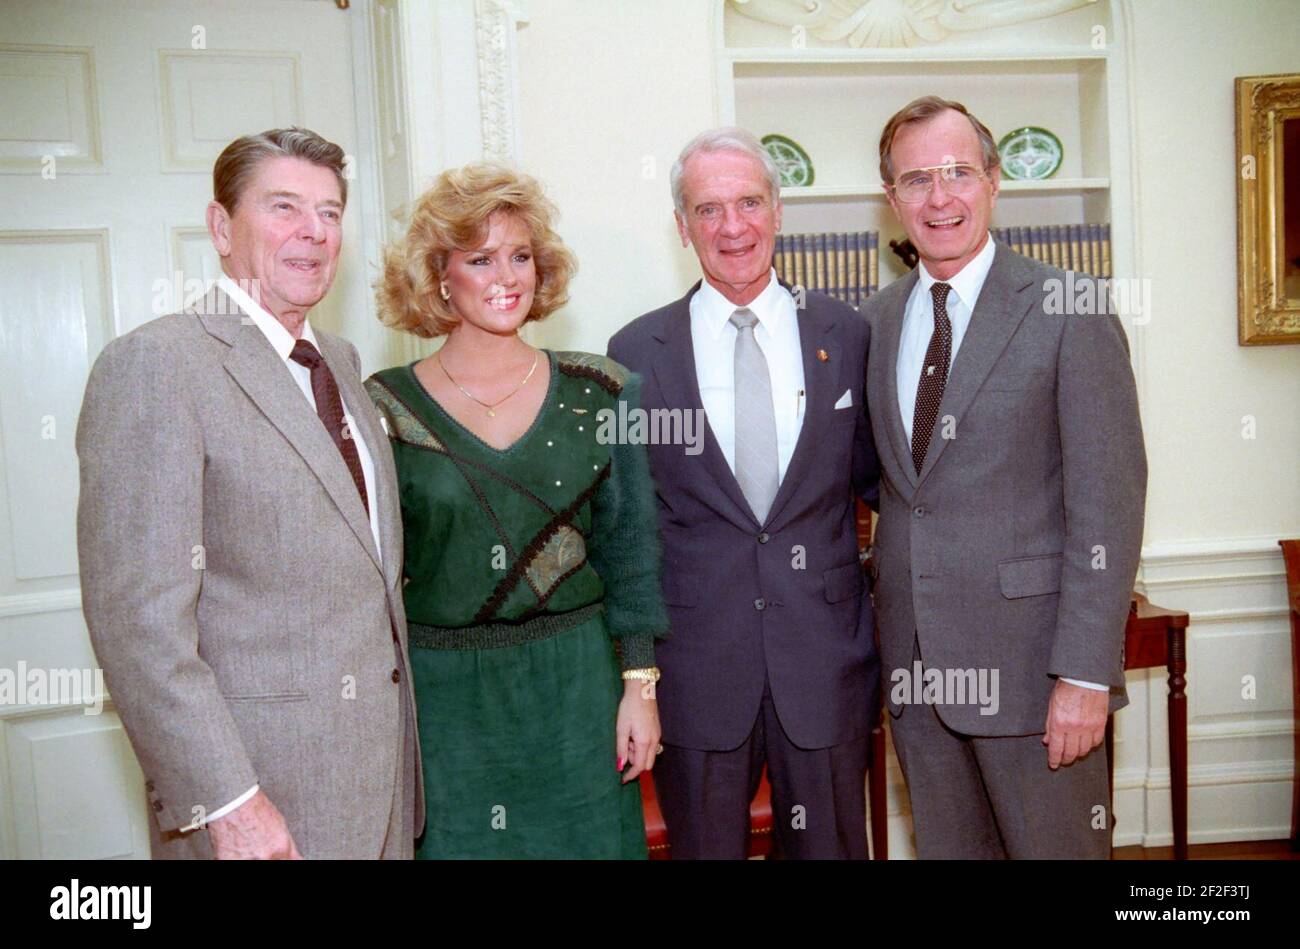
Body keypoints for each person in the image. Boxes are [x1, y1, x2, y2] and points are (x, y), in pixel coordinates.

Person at [76, 128, 421, 859]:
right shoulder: (158, 364)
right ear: (220, 226)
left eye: (330, 213)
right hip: (261, 802)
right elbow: (140, 624)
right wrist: (226, 800)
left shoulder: (342, 362)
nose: (313, 233)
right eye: (284, 207)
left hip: (379, 784)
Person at [863, 96, 1147, 858]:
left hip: (1035, 678)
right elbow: (892, 486)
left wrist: (1085, 674)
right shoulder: (877, 319)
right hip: (919, 679)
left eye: (958, 171)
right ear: (892, 198)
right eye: (916, 178)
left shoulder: (1069, 305)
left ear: (994, 180)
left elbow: (1109, 505)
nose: (940, 196)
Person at [365, 162, 666, 859]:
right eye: (480, 258)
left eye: (521, 255)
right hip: (447, 706)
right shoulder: (385, 408)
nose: (506, 276)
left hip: (578, 693)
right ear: (441, 275)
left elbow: (631, 550)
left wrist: (640, 687)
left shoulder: (604, 391)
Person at [607, 128, 880, 859]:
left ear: (779, 210)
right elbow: (629, 528)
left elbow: (880, 483)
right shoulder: (634, 354)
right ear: (681, 226)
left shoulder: (846, 333)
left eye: (749, 202)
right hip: (697, 673)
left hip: (823, 664)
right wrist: (639, 675)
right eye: (708, 209)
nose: (733, 227)